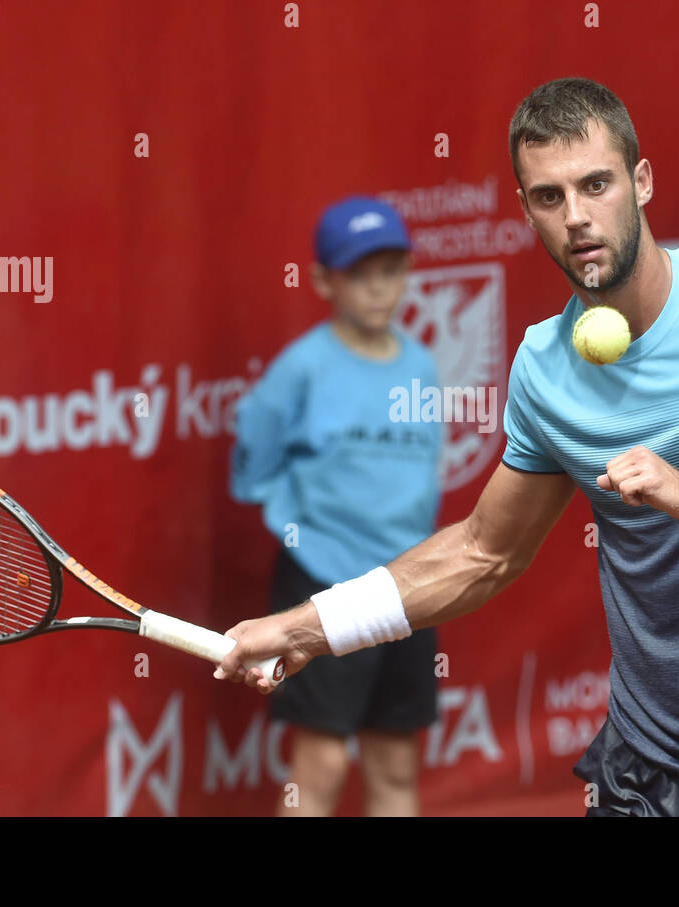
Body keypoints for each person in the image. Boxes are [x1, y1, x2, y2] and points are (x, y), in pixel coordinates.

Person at [218, 78, 679, 817]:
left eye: (596, 184)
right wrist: (308, 627)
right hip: (650, 768)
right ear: (526, 210)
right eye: (548, 197)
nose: (576, 218)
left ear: (641, 182)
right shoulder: (543, 368)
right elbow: (483, 552)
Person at [228, 196, 442, 817]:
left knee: (396, 766)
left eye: (391, 270)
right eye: (360, 273)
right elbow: (253, 470)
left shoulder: (424, 367)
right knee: (318, 765)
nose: (379, 288)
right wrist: (306, 530)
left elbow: (422, 473)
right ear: (324, 281)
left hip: (406, 588)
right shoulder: (300, 369)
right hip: (321, 581)